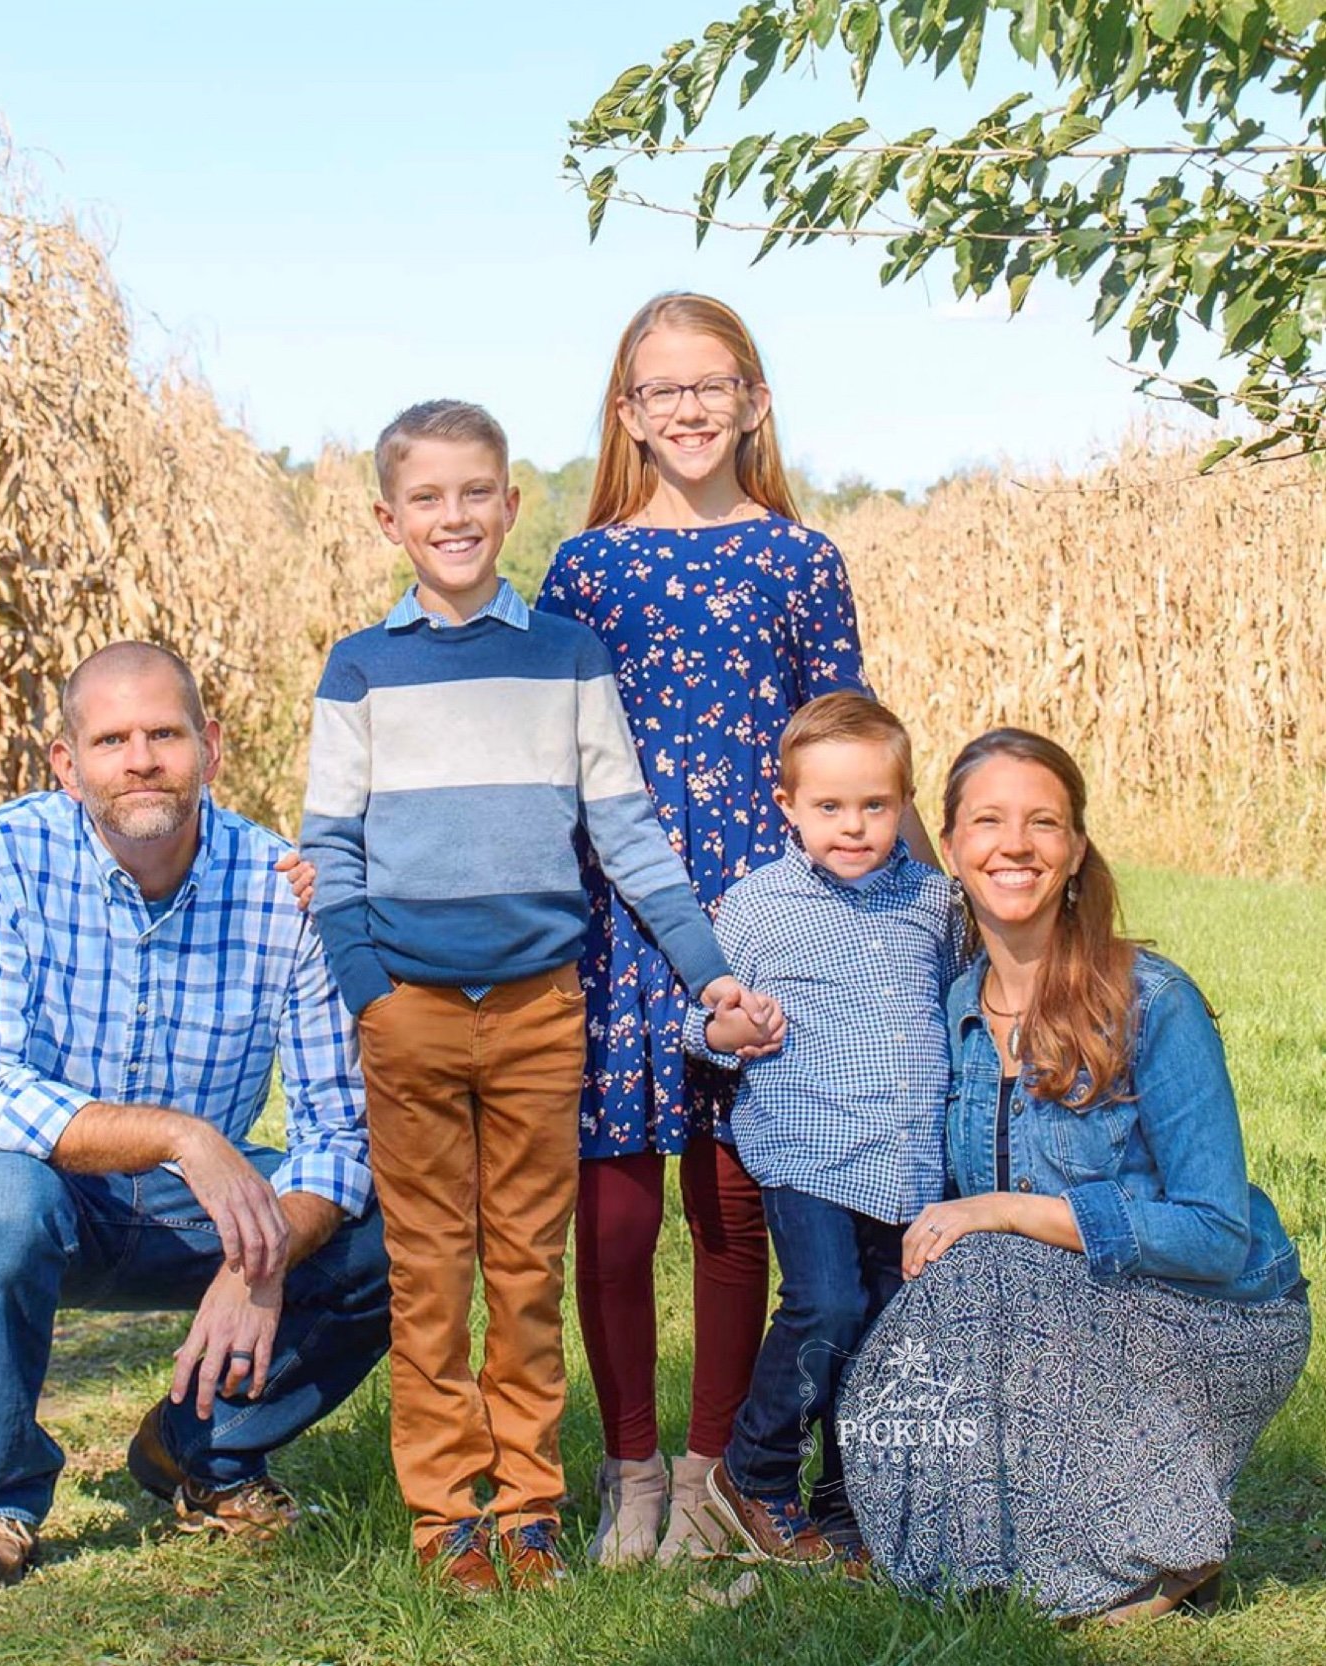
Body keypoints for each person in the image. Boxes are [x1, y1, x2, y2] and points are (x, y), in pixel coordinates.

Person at [302, 399, 778, 1591]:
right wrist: (368, 989)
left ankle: (527, 1505)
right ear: (388, 517)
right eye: (428, 499)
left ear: (513, 505)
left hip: (536, 1013)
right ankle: (441, 1516)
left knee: (523, 1268)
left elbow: (624, 830)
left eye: (477, 493)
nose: (454, 517)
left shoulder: (564, 653)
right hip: (407, 1005)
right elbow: (333, 844)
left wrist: (703, 962)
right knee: (429, 1269)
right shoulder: (361, 666)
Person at [534, 293, 918, 1562]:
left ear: (751, 399)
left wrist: (921, 897)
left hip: (766, 917)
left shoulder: (800, 559)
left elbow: (849, 737)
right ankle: (630, 1468)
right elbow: (538, 750)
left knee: (737, 1198)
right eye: (663, 388)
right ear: (627, 413)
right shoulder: (587, 567)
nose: (689, 407)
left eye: (713, 384)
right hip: (621, 910)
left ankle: (714, 1468)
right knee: (619, 1203)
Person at [0, 642, 390, 1590]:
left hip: (170, 1207)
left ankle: (200, 1450)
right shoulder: (4, 855)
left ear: (212, 747)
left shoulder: (280, 889)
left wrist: (263, 1255)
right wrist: (184, 1137)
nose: (142, 758)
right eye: (111, 739)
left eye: (165, 733)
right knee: (3, 1199)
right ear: (65, 764)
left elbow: (339, 1130)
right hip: (6, 1186)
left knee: (393, 1234)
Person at [842, 729, 1309, 1621]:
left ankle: (1159, 1548)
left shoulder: (1151, 1000)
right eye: (988, 821)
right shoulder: (954, 1007)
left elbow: (1216, 1233)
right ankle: (976, 1556)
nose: (1013, 845)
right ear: (950, 842)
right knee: (938, 1313)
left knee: (991, 1268)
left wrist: (1009, 1210)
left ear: (1075, 850)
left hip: (1211, 1312)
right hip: (1052, 1305)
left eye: (1042, 823)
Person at [672, 693, 963, 1564]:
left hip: (908, 1158)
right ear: (788, 806)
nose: (853, 826)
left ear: (904, 803)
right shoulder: (759, 904)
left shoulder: (936, 905)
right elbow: (701, 1024)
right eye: (829, 807)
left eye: (875, 806)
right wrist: (728, 1032)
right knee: (826, 1304)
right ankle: (753, 1472)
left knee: (880, 1328)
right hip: (810, 1154)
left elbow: (951, 1005)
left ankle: (842, 1507)